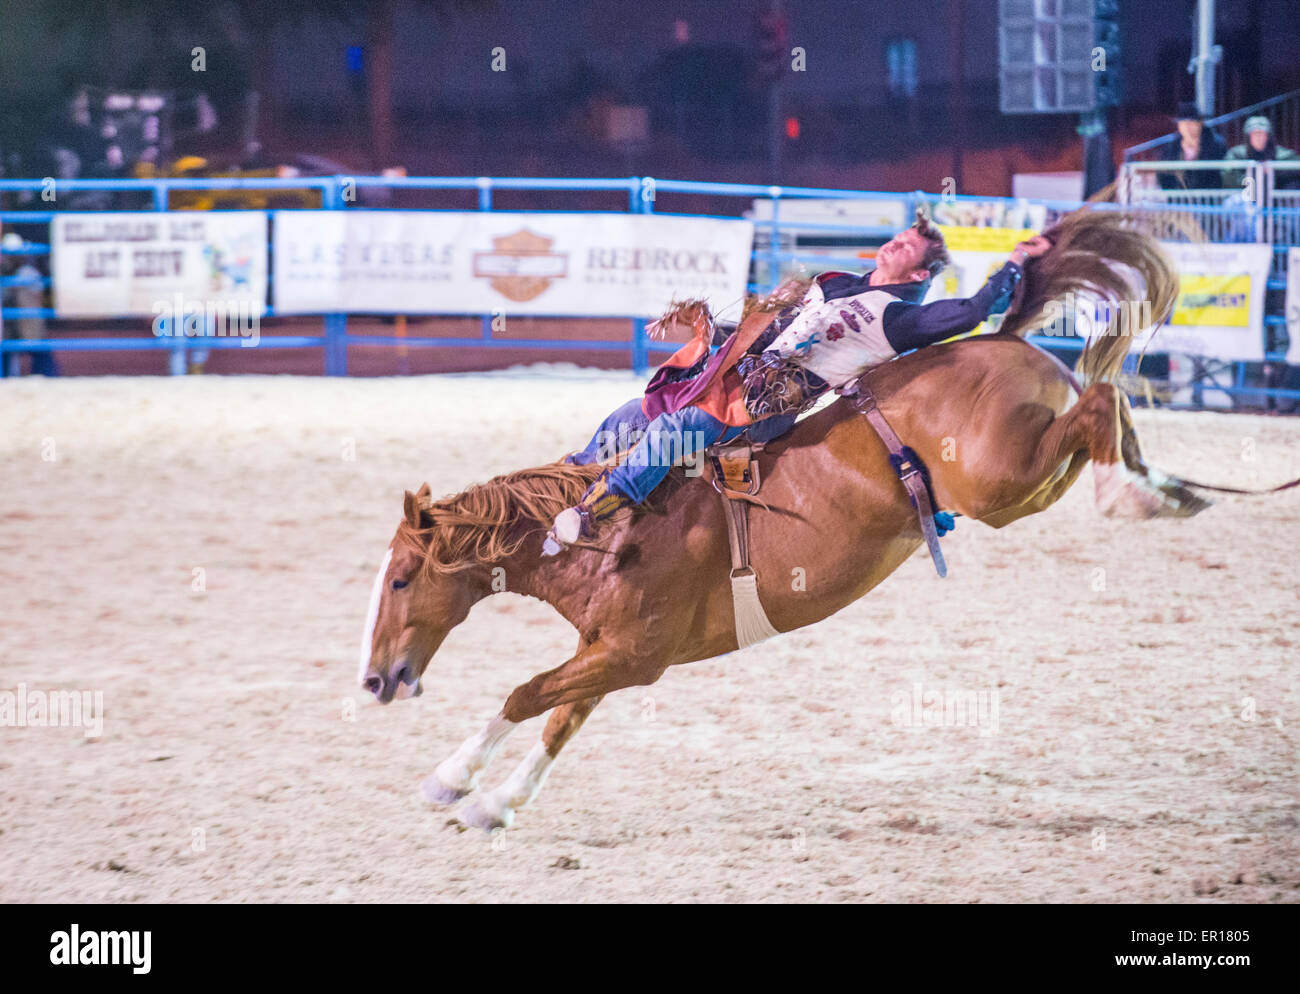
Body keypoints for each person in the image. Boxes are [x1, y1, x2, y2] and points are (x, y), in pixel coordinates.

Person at [543, 210, 1051, 553]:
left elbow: (973, 311)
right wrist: (720, 331)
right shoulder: (832, 285)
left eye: (904, 247)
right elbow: (770, 324)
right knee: (630, 415)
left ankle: (599, 509)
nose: (892, 244)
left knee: (679, 429)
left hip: (768, 408)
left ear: (919, 275)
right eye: (895, 238)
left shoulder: (897, 317)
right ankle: (570, 477)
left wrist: (1015, 261)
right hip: (733, 380)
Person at [1157, 103, 1228, 191]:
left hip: (1208, 198)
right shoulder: (1171, 147)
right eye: (1183, 123)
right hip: (1178, 199)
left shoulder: (1215, 144)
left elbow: (1219, 174)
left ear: (1200, 123)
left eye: (1191, 122)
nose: (1187, 127)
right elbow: (1163, 175)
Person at [1223, 115, 1299, 190]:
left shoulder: (1282, 154)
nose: (1259, 138)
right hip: (1244, 197)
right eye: (1255, 134)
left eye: (1262, 134)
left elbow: (1295, 167)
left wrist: (1273, 169)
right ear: (1248, 136)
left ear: (1268, 136)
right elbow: (1229, 178)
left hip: (1275, 198)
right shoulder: (1236, 154)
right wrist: (1255, 172)